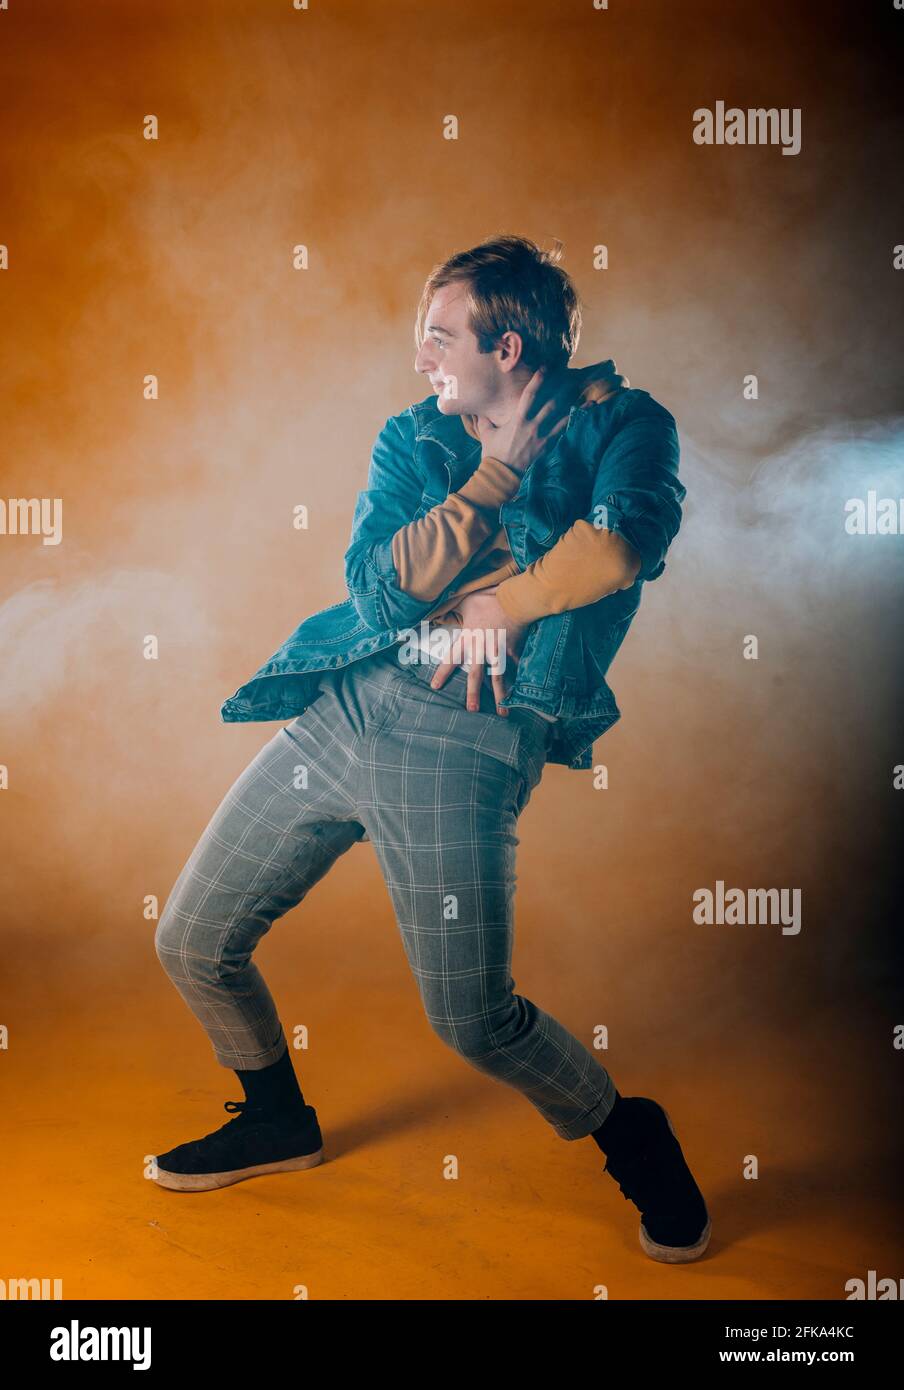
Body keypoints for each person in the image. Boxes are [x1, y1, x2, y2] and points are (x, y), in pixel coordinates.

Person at [151, 234, 711, 1264]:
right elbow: (379, 590)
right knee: (189, 937)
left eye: (439, 336)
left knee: (474, 1021)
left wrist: (504, 603)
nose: (421, 358)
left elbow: (624, 542)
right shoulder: (417, 437)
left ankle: (629, 1132)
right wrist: (494, 479)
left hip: (468, 744)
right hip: (350, 706)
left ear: (506, 344)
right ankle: (277, 1115)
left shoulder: (627, 424)